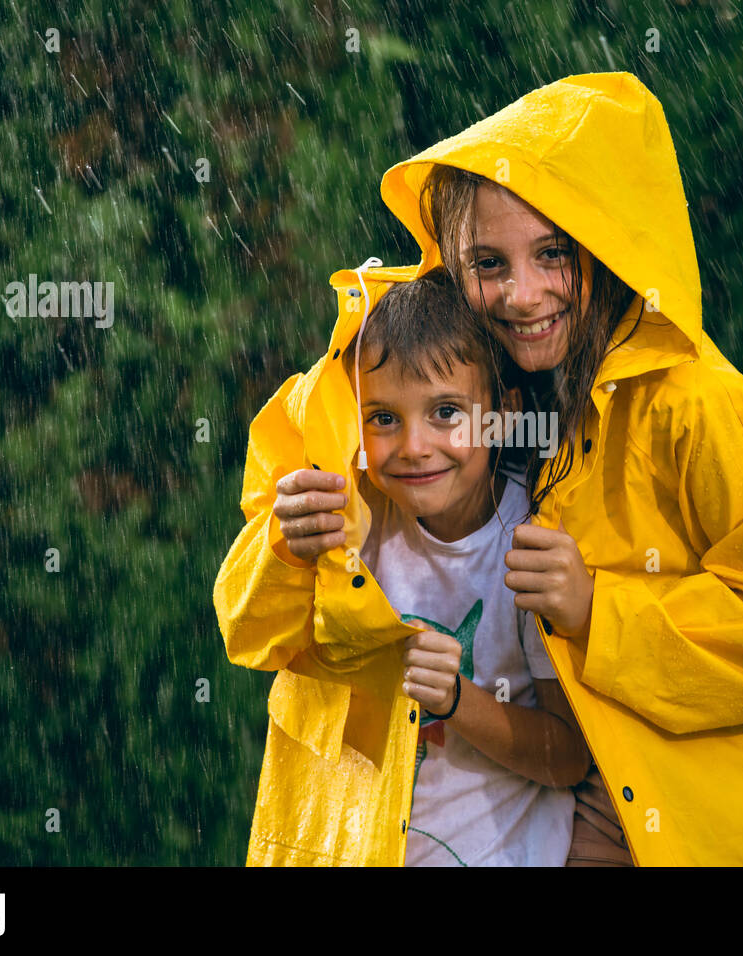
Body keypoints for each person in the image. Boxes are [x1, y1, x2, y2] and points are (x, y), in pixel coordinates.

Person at [275, 72, 743, 865]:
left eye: (553, 253)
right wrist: (333, 497)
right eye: (488, 262)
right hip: (598, 802)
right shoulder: (507, 388)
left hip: (726, 822)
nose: (523, 294)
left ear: (611, 247)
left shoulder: (696, 405)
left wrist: (597, 608)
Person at [215, 267, 588, 866]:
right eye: (383, 418)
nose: (413, 445)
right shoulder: (354, 519)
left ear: (504, 412)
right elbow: (247, 633)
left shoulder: (531, 548)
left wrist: (458, 701)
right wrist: (282, 546)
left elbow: (568, 757)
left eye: (445, 412)